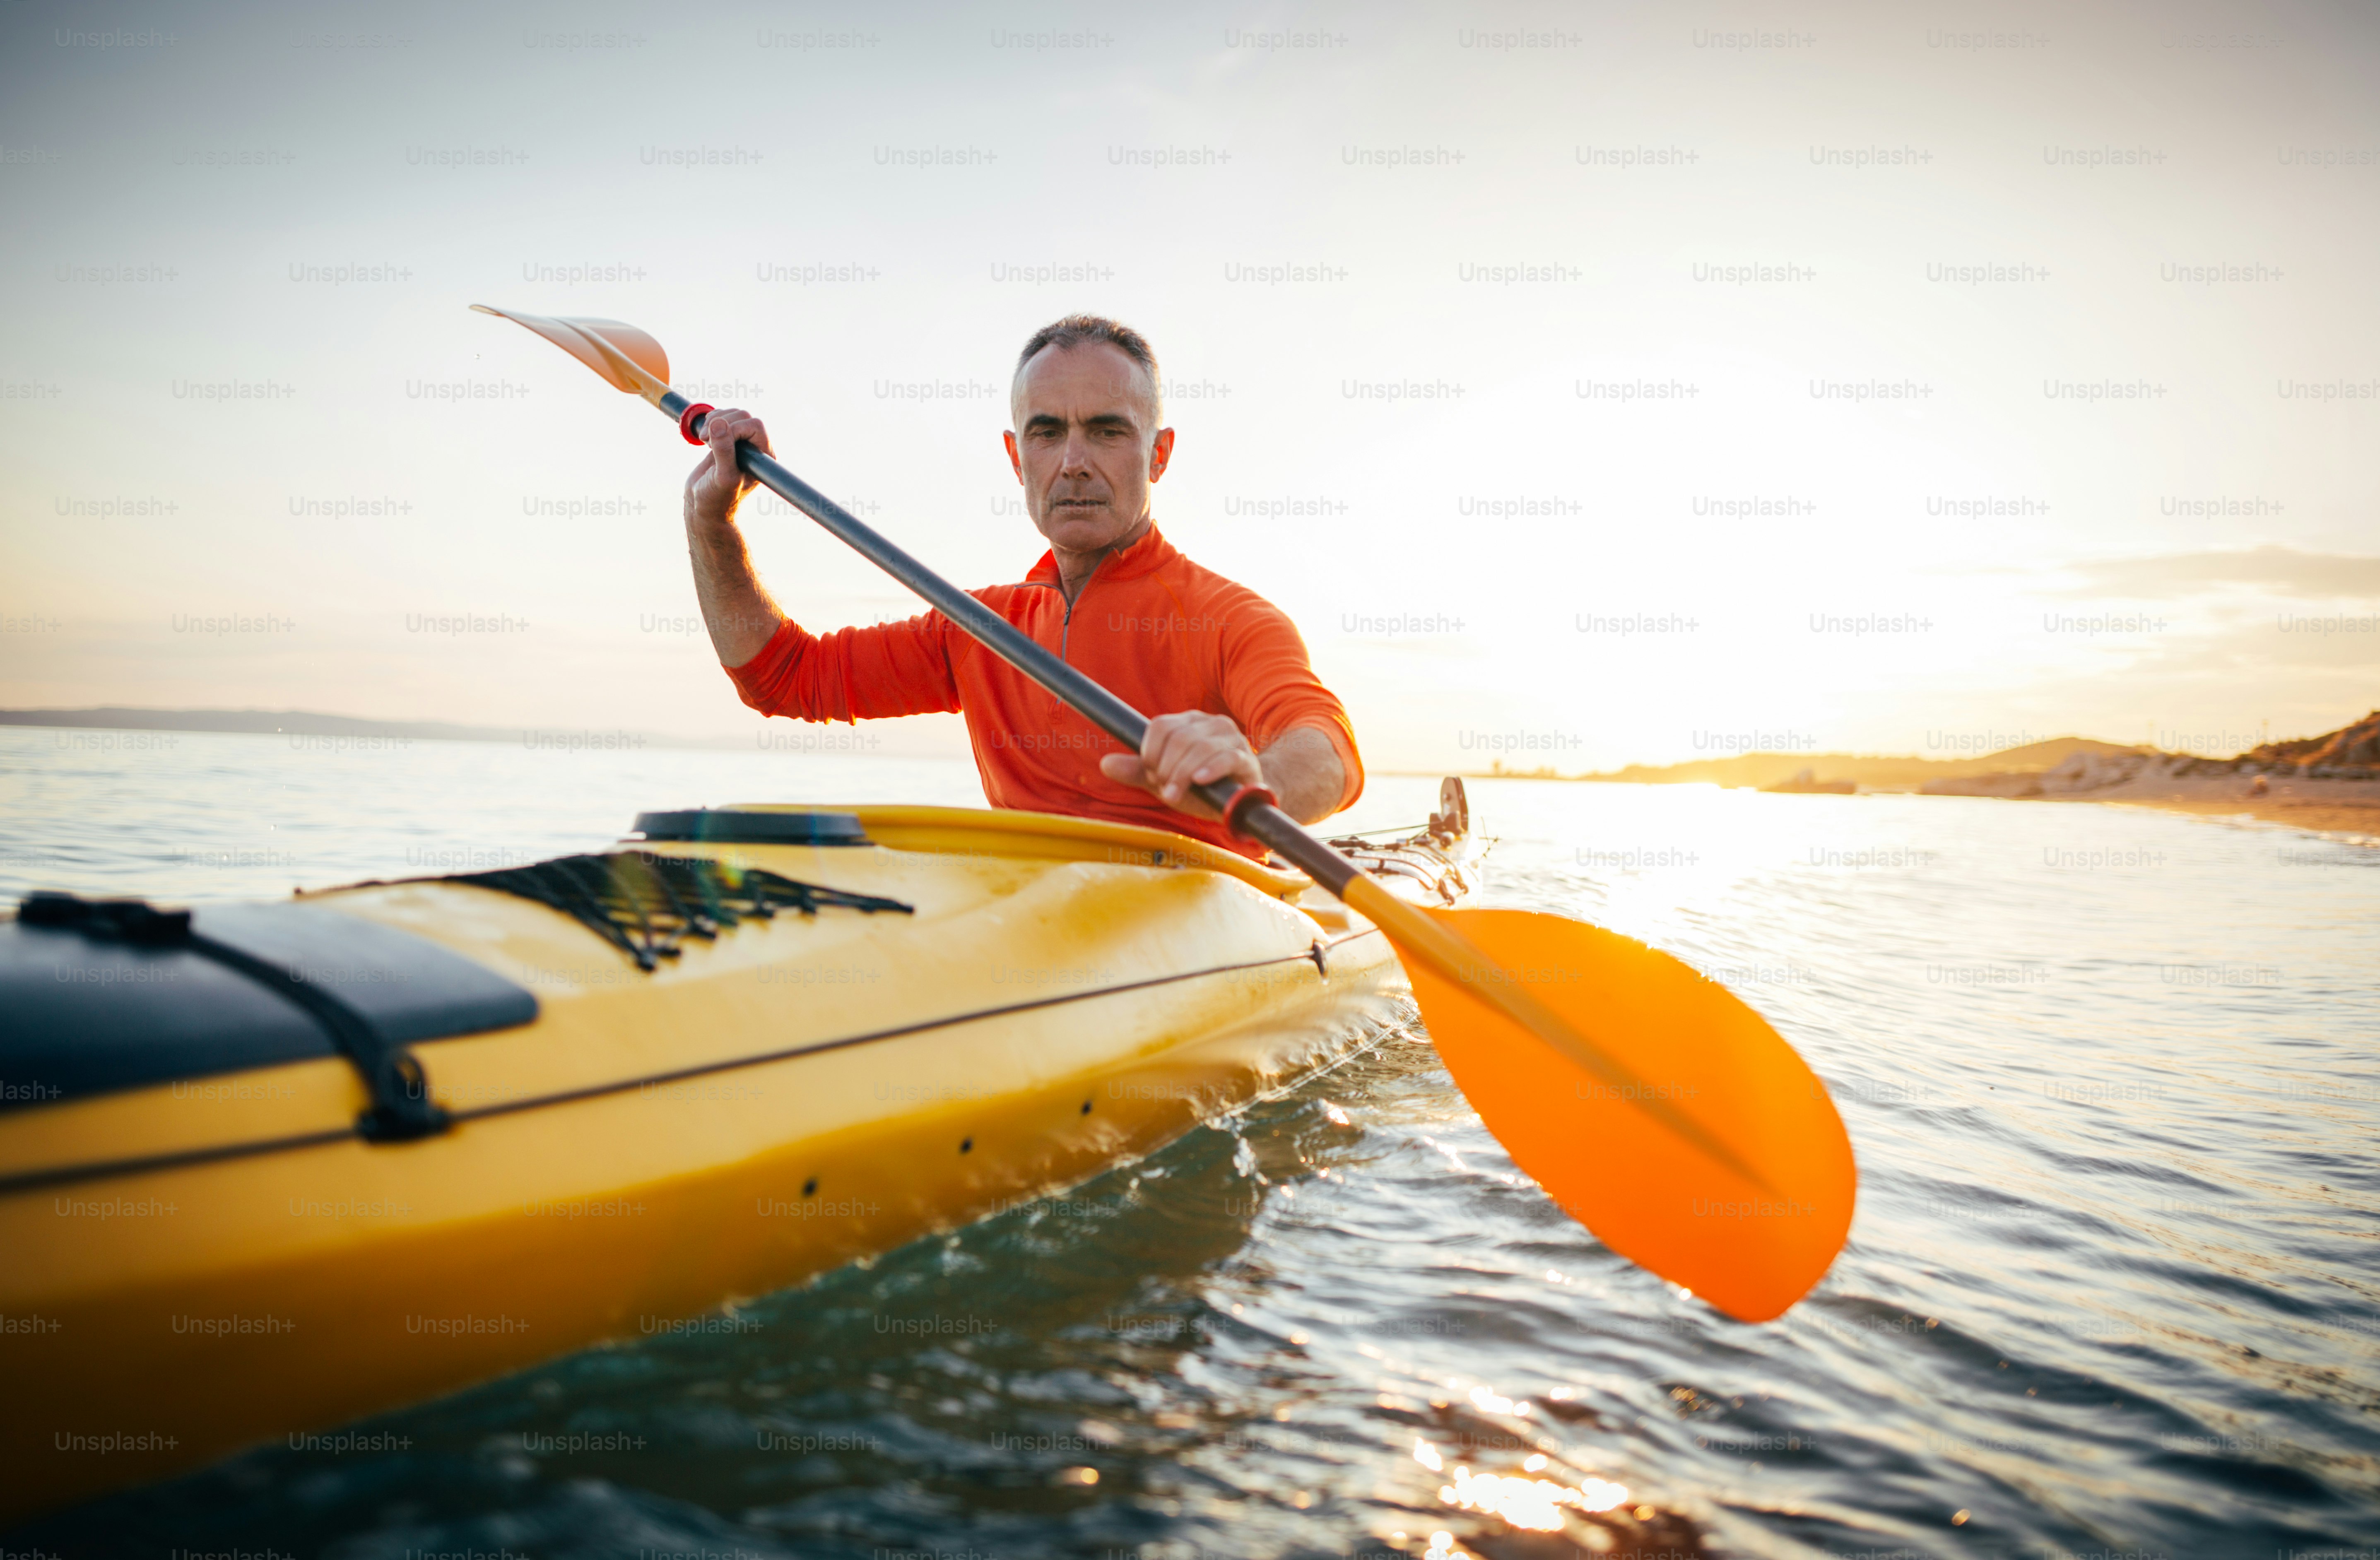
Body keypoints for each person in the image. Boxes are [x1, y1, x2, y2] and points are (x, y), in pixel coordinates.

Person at [680, 314, 1362, 861]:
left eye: (1106, 431)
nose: (1072, 463)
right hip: (1021, 928)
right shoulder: (976, 625)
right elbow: (785, 679)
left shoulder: (1228, 618)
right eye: (1047, 432)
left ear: (1158, 454)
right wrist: (710, 521)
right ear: (1016, 457)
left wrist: (1254, 778)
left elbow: (1327, 750)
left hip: (1200, 937)